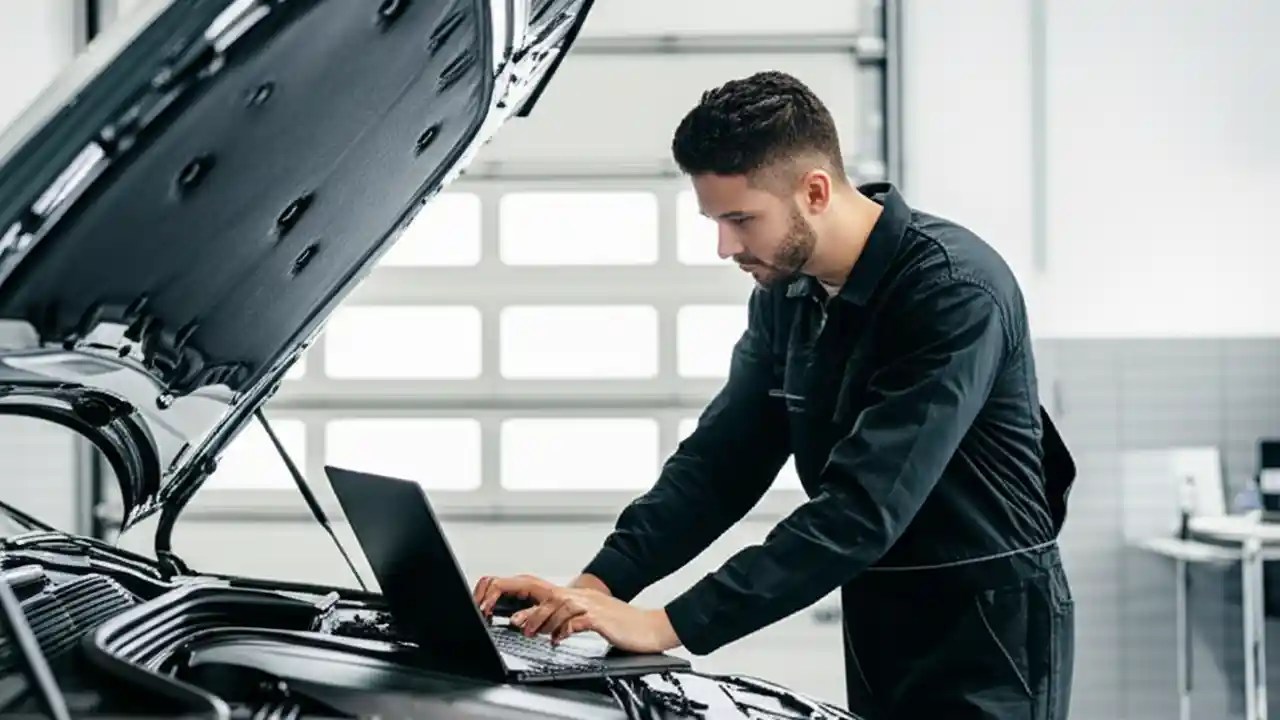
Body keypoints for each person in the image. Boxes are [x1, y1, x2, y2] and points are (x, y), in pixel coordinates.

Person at [472, 70, 1078, 719]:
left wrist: (665, 625)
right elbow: (719, 463)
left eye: (741, 219)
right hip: (880, 612)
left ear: (814, 190)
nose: (725, 246)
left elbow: (862, 507)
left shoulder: (952, 290)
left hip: (987, 631)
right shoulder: (789, 294)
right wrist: (592, 589)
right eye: (715, 219)